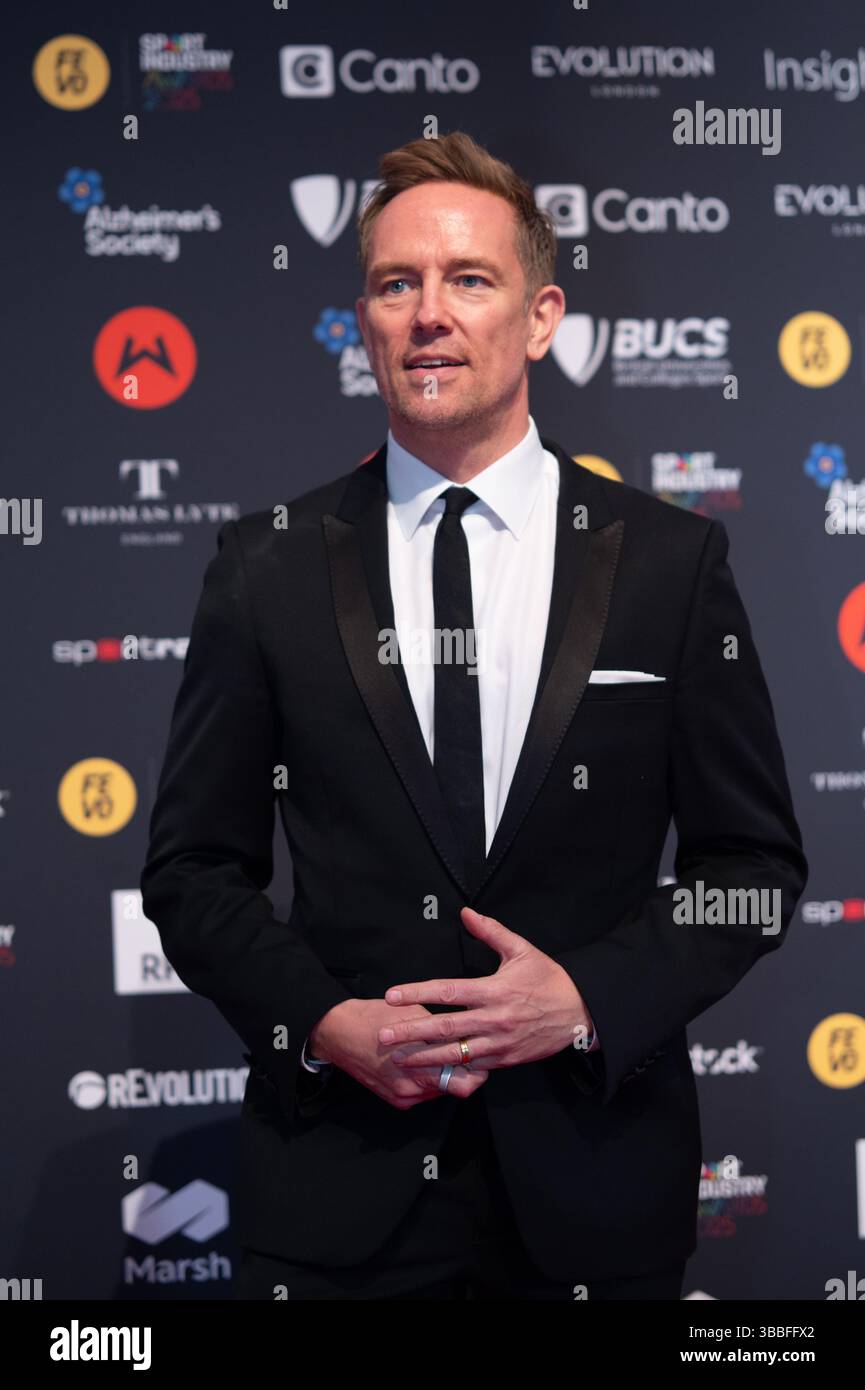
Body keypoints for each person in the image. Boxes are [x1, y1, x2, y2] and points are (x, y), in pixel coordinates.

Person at [140, 130, 808, 1300]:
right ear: (362, 319)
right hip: (342, 1198)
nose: (427, 314)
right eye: (396, 284)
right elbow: (194, 869)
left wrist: (590, 997)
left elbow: (751, 865)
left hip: (596, 1198)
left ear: (541, 316)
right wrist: (324, 1021)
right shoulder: (267, 566)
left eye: (468, 279)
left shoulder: (669, 562)